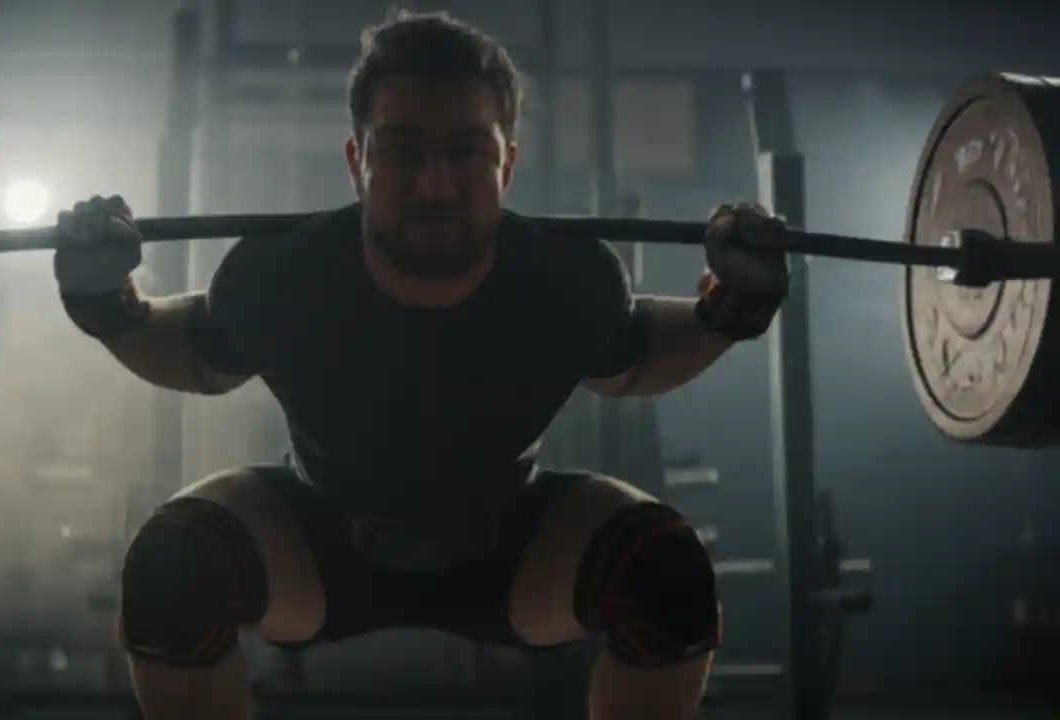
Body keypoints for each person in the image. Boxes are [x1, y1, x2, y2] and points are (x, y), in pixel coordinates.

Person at [53, 10, 788, 720]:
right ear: (357, 160)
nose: (435, 184)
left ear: (507, 161)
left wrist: (735, 307)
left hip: (511, 548)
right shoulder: (282, 275)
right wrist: (103, 299)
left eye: (467, 151)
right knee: (174, 565)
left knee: (665, 572)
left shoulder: (568, 282)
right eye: (403, 151)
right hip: (319, 542)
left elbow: (635, 357)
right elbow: (190, 350)